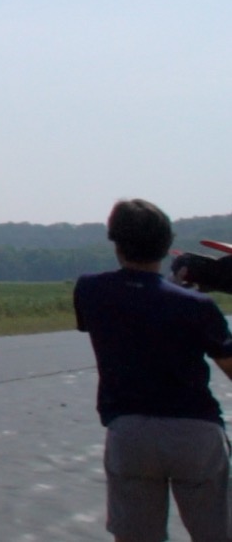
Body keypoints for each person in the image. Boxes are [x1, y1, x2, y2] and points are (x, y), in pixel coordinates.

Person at [74, 198, 232, 542]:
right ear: (166, 244)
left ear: (116, 243)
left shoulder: (89, 290)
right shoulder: (198, 306)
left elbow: (141, 300)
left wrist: (170, 288)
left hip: (130, 432)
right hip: (194, 433)